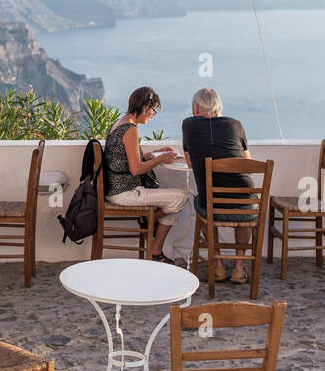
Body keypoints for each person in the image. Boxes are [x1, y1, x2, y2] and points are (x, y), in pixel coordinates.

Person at [103, 86, 188, 264]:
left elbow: (128, 159)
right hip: (126, 193)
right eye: (153, 111)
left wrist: (157, 152)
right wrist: (161, 159)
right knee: (181, 197)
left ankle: (154, 244)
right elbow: (136, 169)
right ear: (144, 108)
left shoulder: (119, 124)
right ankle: (152, 237)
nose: (152, 115)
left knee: (173, 200)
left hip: (116, 189)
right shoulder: (131, 130)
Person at [181, 87, 255, 283]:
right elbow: (248, 164)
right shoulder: (235, 124)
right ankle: (239, 267)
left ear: (196, 108)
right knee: (244, 211)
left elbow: (189, 162)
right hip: (243, 196)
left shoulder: (189, 125)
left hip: (212, 200)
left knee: (204, 205)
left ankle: (218, 266)